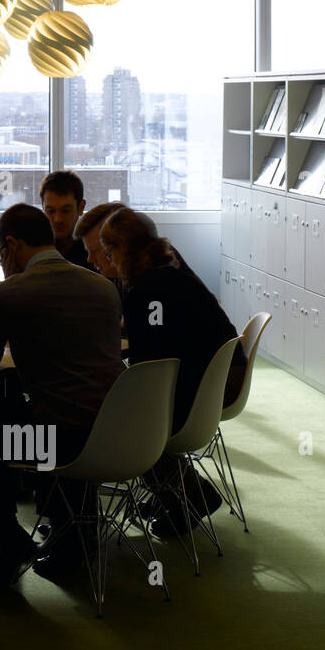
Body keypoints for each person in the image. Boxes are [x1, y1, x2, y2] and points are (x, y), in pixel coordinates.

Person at [0, 203, 124, 585]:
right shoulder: (103, 287)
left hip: (57, 443)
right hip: (117, 433)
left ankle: (8, 534)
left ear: (10, 245)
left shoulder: (7, 292)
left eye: (0, 252)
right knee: (19, 407)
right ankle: (70, 526)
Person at [98, 208, 245, 534]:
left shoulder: (150, 289)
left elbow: (151, 362)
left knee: (116, 417)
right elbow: (162, 332)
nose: (106, 261)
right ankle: (179, 493)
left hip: (201, 394)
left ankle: (190, 494)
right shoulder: (170, 270)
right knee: (128, 410)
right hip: (217, 380)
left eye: (108, 252)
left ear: (123, 248)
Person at [39, 170, 93, 270]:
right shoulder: (34, 250)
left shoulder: (94, 254)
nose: (58, 219)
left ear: (81, 207)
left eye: (65, 211)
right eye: (50, 211)